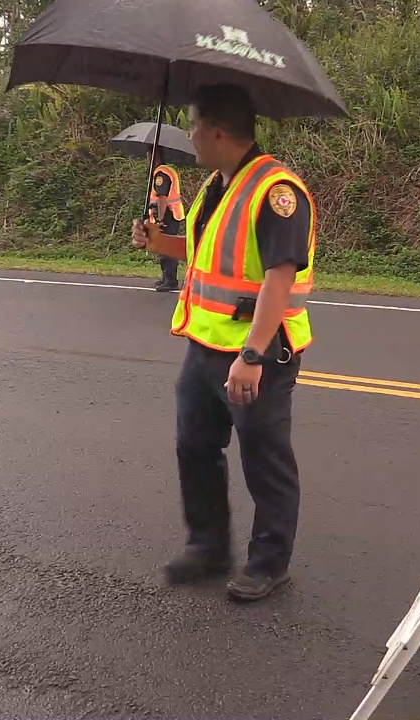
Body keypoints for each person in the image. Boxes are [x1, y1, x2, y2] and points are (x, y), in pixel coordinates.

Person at [131, 83, 317, 602]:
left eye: (191, 127)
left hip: (257, 354)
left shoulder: (277, 192)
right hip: (204, 346)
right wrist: (158, 242)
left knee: (264, 457)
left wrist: (252, 356)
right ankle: (209, 546)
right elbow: (206, 257)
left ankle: (269, 562)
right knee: (194, 446)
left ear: (216, 131)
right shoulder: (219, 185)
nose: (187, 137)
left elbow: (280, 278)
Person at [147, 148, 185, 292]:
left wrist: (160, 219)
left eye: (149, 156)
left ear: (154, 156)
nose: (148, 160)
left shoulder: (161, 174)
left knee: (167, 248)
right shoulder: (168, 170)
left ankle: (170, 280)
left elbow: (162, 198)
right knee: (163, 247)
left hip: (167, 215)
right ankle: (166, 278)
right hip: (172, 214)